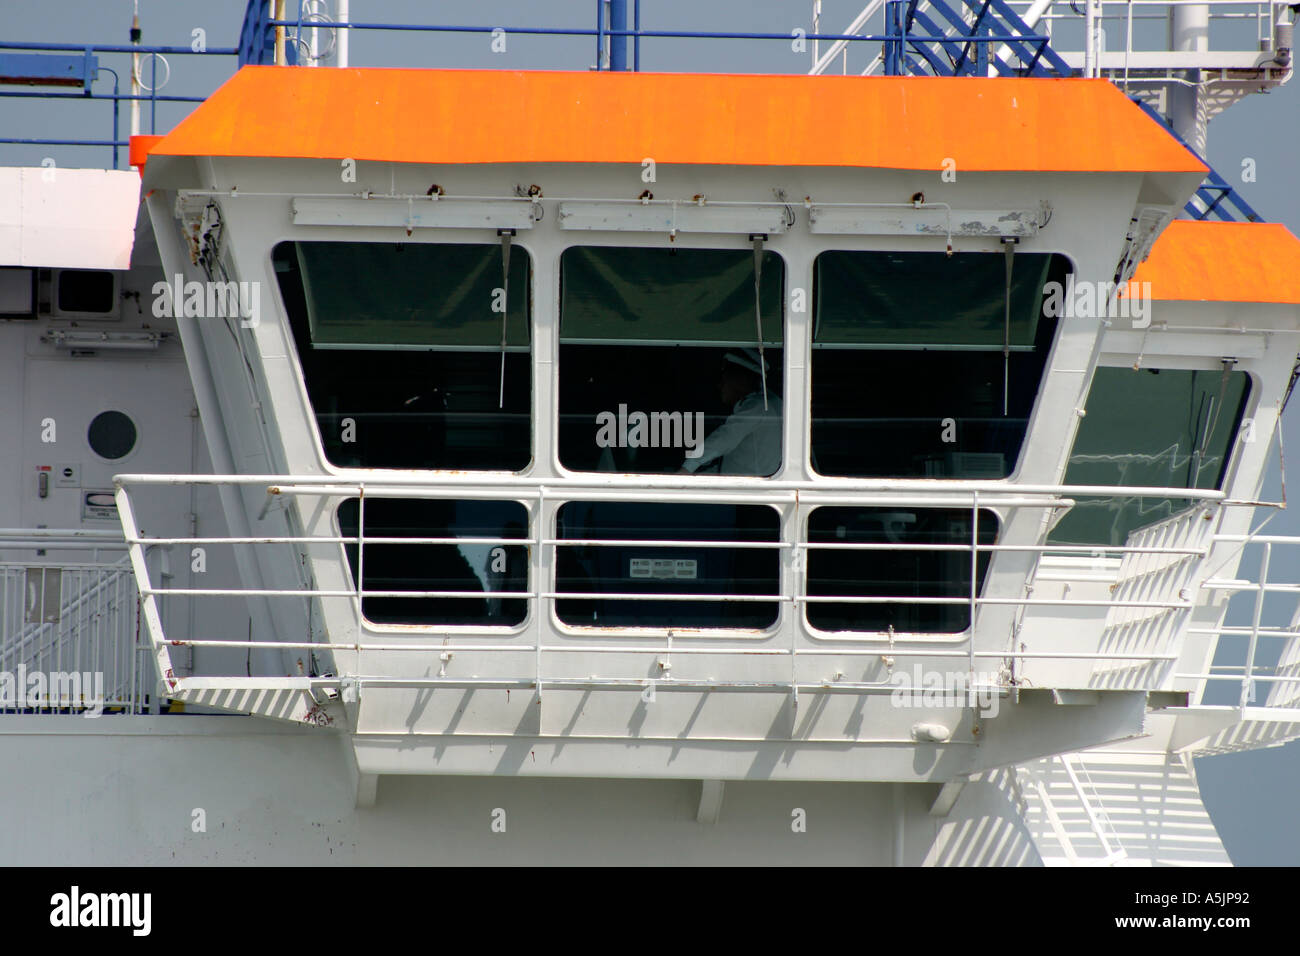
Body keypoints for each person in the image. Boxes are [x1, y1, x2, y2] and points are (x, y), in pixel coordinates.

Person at [679, 348, 782, 476]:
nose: (720, 385)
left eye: (724, 378)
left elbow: (724, 438)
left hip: (748, 491)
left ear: (740, 379)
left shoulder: (758, 407)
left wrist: (688, 468)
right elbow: (737, 463)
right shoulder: (769, 403)